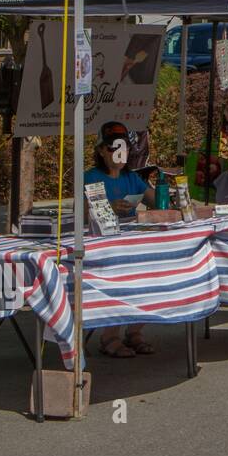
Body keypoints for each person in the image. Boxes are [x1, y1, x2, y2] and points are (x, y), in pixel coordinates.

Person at [84, 121, 159, 359]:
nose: (119, 153)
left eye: (123, 147)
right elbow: (83, 214)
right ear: (101, 150)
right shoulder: (91, 177)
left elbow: (155, 201)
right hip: (103, 247)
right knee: (117, 280)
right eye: (113, 147)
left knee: (151, 274)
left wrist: (164, 190)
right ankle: (110, 337)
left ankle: (135, 331)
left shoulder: (132, 177)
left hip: (131, 242)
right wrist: (108, 209)